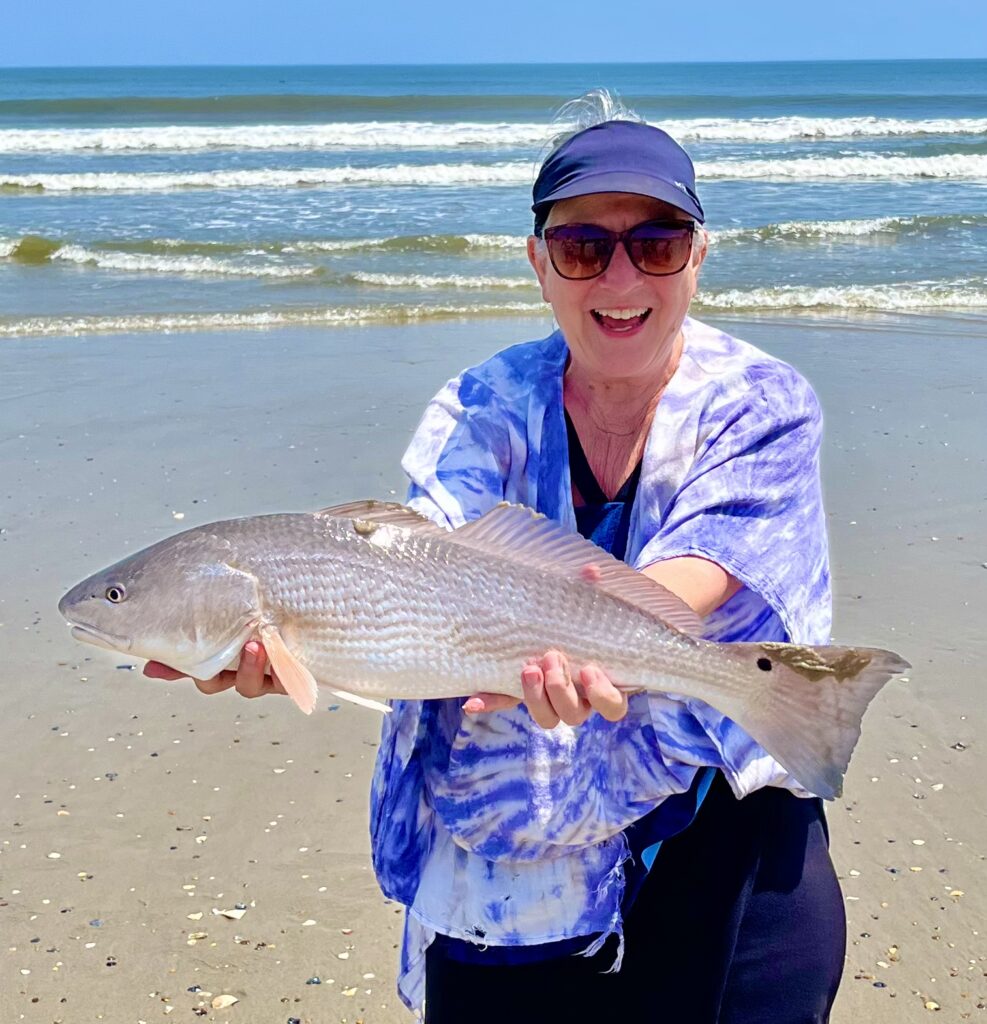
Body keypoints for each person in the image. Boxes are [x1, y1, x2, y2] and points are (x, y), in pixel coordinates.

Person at [147, 93, 845, 1023]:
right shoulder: (480, 404)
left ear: (699, 255)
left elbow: (695, 584)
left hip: (720, 831)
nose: (619, 275)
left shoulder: (763, 403)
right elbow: (416, 569)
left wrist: (579, 651)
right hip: (512, 859)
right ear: (538, 263)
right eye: (582, 247)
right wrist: (307, 645)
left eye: (658, 241)